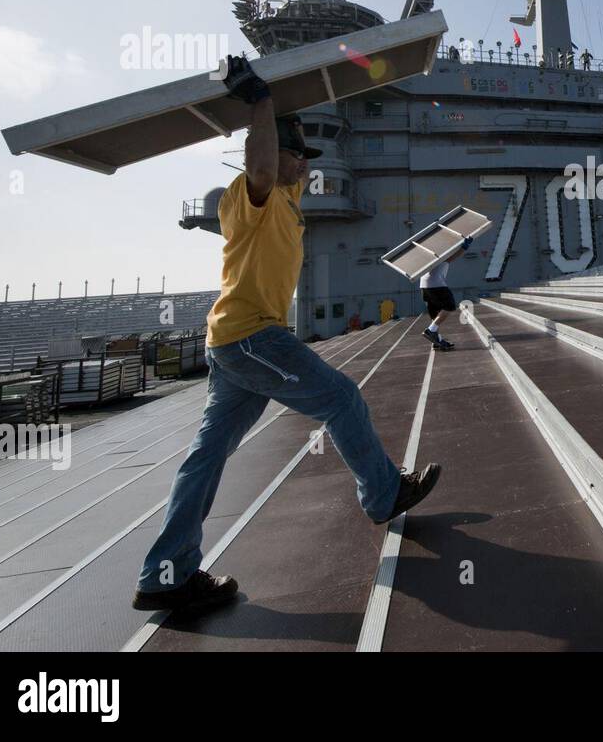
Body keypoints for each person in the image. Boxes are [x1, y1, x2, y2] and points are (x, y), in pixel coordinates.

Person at [131, 56, 440, 618]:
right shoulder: (253, 198)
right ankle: (382, 494)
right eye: (301, 154)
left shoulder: (289, 203)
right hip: (251, 338)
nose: (306, 166)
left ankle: (164, 575)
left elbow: (281, 172)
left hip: (232, 344)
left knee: (206, 457)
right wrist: (261, 103)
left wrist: (280, 109)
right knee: (341, 398)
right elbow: (263, 168)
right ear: (282, 155)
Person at [421, 238, 472, 350]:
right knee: (449, 306)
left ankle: (436, 340)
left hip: (424, 285)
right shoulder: (441, 254)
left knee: (435, 315)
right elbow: (453, 256)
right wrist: (464, 247)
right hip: (436, 284)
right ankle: (430, 331)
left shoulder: (428, 255)